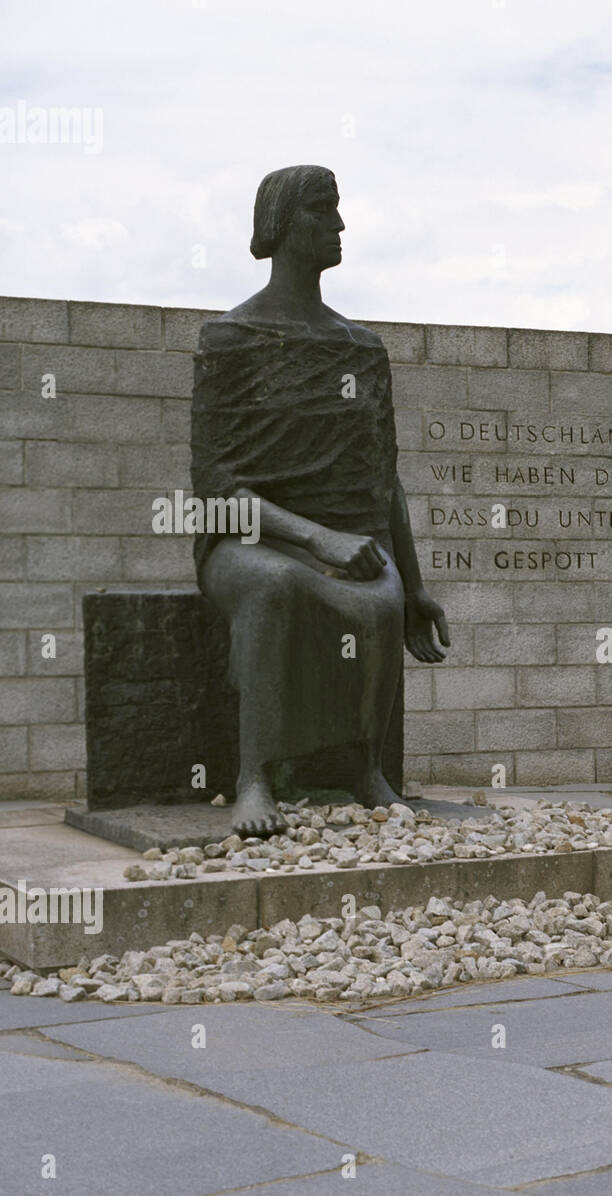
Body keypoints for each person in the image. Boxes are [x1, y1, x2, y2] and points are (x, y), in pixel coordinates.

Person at [190, 165, 448, 838]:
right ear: (278, 225)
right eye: (321, 211)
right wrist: (314, 538)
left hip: (348, 536)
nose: (338, 226)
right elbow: (216, 485)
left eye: (338, 211)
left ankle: (364, 768)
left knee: (382, 599)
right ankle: (254, 777)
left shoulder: (360, 348)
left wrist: (416, 587)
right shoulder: (230, 339)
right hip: (247, 539)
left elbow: (382, 475)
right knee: (274, 588)